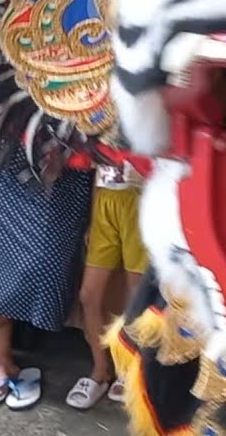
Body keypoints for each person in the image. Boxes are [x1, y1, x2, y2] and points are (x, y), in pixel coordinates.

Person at [0, 124, 94, 410]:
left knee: (48, 263)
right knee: (1, 259)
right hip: (3, 151)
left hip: (65, 159)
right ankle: (3, 363)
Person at [67, 161, 146, 410]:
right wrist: (92, 215)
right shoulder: (98, 121)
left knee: (137, 297)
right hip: (105, 200)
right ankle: (100, 372)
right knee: (88, 295)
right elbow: (95, 171)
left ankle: (129, 371)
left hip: (140, 200)